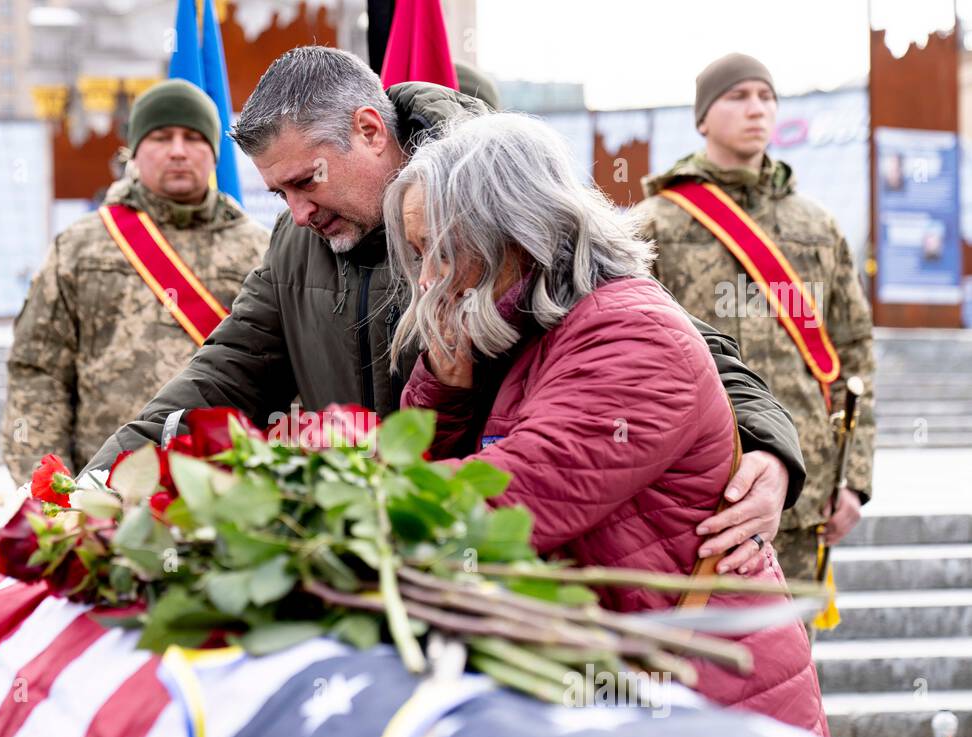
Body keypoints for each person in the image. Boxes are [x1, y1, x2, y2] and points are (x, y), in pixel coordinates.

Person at [85, 46, 807, 575]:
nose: (297, 211)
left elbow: (669, 340)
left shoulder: (500, 211)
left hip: (497, 576)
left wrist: (770, 450)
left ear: (369, 130)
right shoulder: (295, 245)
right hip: (405, 579)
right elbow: (223, 375)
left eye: (307, 181)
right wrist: (90, 489)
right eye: (280, 194)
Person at [393, 112, 827, 734]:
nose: (428, 280)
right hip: (645, 693)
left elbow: (506, 503)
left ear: (513, 233)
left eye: (436, 251)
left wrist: (334, 512)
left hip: (710, 710)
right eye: (416, 257)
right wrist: (446, 385)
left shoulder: (628, 332)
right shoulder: (525, 328)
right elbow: (436, 476)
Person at [637, 54, 876, 581]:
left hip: (804, 487)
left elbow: (855, 353)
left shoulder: (817, 226)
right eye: (738, 96)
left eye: (766, 97)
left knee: (796, 655)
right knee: (699, 655)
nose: (757, 109)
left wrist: (853, 476)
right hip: (697, 492)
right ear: (702, 118)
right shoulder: (655, 223)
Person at [2, 79, 270, 482]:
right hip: (106, 491)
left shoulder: (261, 249)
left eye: (194, 137)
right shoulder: (82, 246)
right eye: (162, 137)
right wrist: (51, 489)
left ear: (214, 154)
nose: (178, 150)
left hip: (226, 488)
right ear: (135, 151)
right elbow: (37, 373)